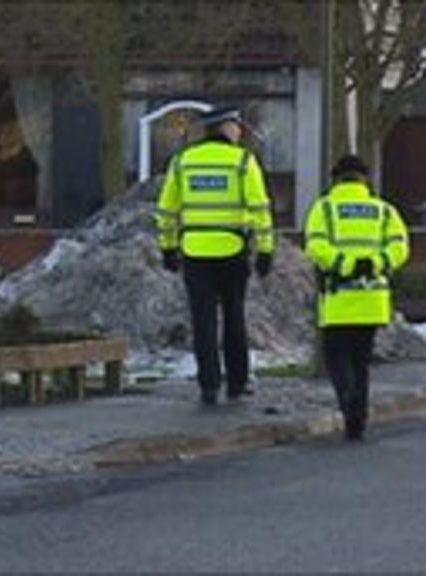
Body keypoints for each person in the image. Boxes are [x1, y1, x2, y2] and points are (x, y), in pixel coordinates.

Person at [155, 106, 275, 406]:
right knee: (234, 316)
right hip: (232, 250)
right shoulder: (243, 161)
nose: (239, 131)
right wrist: (265, 249)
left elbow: (167, 209)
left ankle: (208, 384)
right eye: (236, 125)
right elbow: (260, 209)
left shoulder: (183, 162)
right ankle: (237, 381)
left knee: (203, 320)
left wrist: (168, 247)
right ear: (223, 127)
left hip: (194, 251)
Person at [302, 155, 409, 440]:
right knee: (361, 360)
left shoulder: (323, 209)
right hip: (372, 297)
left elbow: (315, 246)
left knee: (336, 356)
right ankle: (357, 421)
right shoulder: (384, 211)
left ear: (335, 179)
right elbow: (399, 247)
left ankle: (347, 398)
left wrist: (344, 264)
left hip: (338, 297)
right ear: (365, 179)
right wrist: (374, 263)